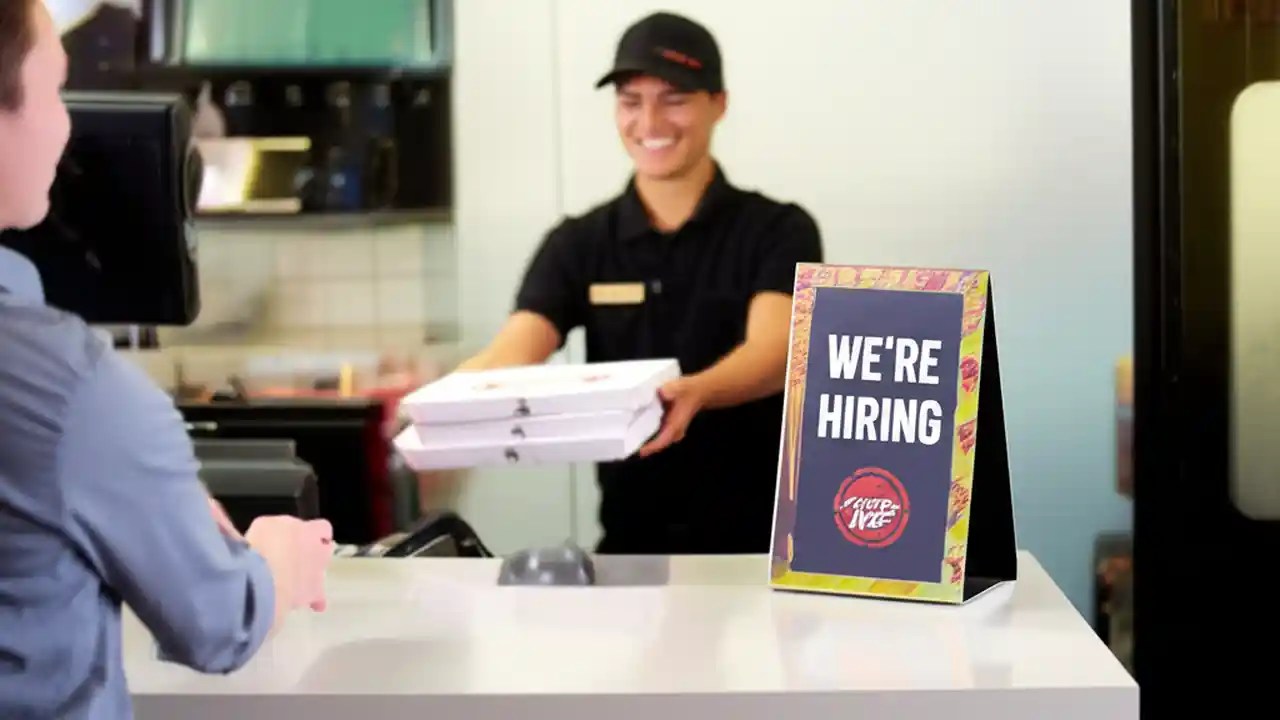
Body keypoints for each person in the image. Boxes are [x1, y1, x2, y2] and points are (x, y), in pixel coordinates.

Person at [0, 1, 333, 717]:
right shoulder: (66, 384)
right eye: (55, 91)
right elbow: (216, 621)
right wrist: (278, 560)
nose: (67, 127)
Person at [460, 11, 824, 554]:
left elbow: (778, 352)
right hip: (631, 554)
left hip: (763, 551)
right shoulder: (579, 242)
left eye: (674, 98)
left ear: (718, 104)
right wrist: (435, 399)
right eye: (630, 101)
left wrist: (698, 392)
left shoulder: (779, 230)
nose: (649, 121)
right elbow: (513, 351)